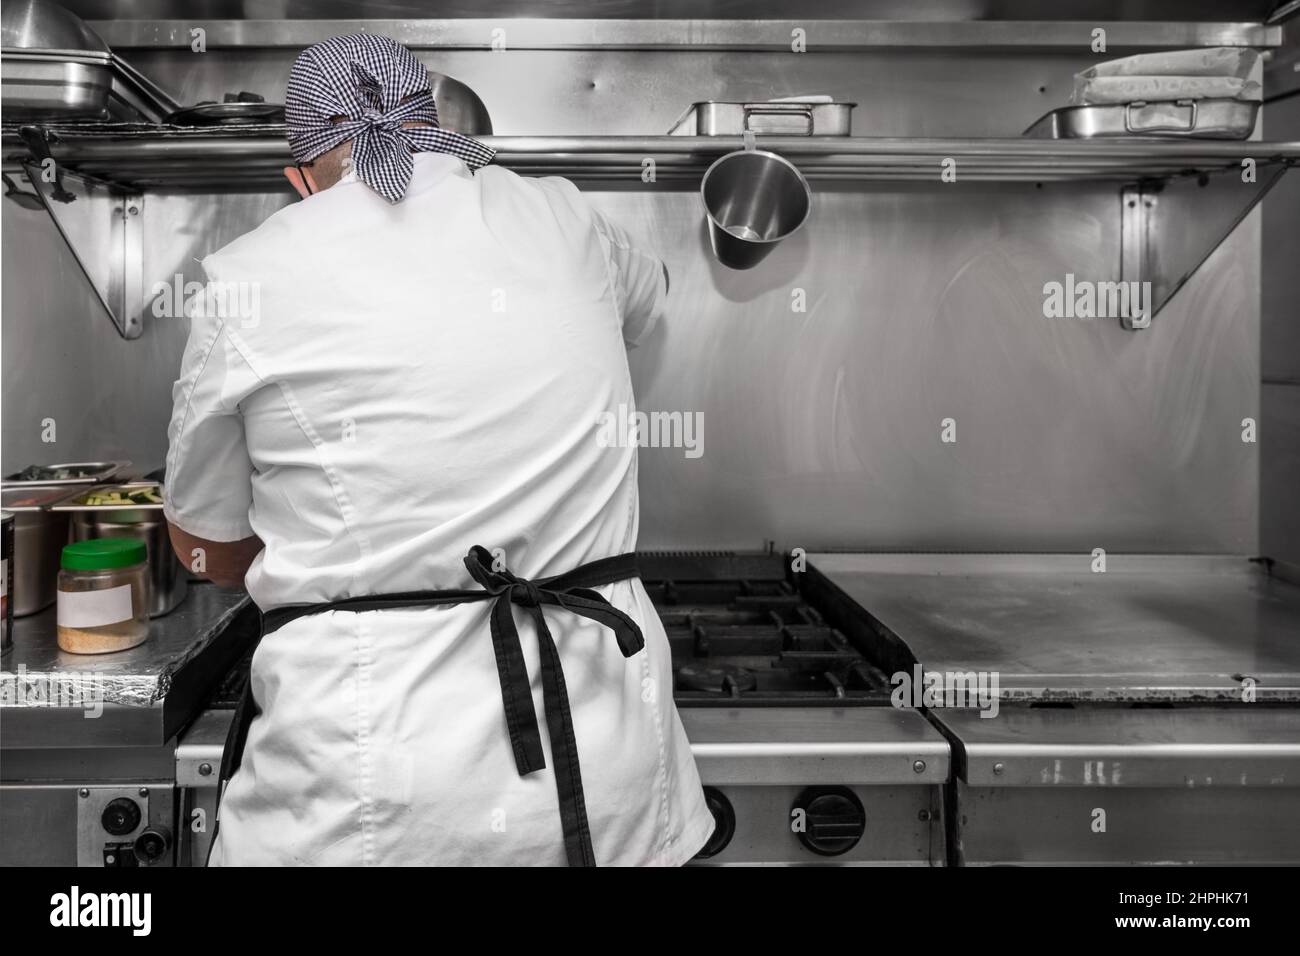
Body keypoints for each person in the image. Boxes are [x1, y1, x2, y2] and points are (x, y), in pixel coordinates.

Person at [163, 33, 714, 866]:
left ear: (300, 178)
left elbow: (202, 545)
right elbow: (655, 295)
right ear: (432, 129)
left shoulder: (248, 276)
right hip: (604, 782)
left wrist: (340, 561)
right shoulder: (567, 216)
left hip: (369, 787)